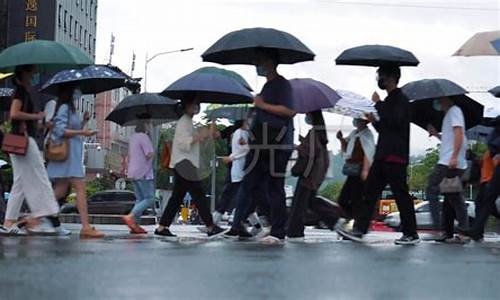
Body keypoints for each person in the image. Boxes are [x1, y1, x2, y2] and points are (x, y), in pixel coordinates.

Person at [336, 66, 419, 245]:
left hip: (395, 157)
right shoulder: (390, 100)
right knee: (369, 193)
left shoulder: (401, 100)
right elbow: (385, 129)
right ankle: (359, 229)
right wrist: (374, 121)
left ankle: (411, 233)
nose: (379, 79)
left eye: (381, 76)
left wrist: (378, 105)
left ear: (391, 77)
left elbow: (396, 123)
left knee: (401, 196)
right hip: (383, 156)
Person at [224, 50, 296, 245]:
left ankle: (279, 230)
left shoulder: (282, 85)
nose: (257, 65)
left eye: (260, 61)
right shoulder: (266, 86)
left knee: (274, 186)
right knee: (251, 184)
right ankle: (245, 223)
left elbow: (289, 110)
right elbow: (259, 112)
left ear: (270, 62)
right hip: (259, 143)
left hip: (277, 144)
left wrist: (263, 105)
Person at [0, 65, 60, 235]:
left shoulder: (24, 92)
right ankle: (42, 216)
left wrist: (43, 123)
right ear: (24, 74)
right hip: (24, 140)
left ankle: (9, 222)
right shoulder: (20, 92)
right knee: (39, 175)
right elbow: (14, 113)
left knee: (19, 183)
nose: (34, 75)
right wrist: (36, 116)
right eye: (32, 72)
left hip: (18, 140)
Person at [155, 97, 225, 239]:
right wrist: (198, 136)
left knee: (177, 197)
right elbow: (183, 144)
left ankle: (162, 226)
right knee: (198, 194)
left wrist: (210, 124)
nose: (196, 108)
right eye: (193, 105)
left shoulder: (188, 122)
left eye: (197, 105)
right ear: (186, 106)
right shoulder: (184, 122)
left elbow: (206, 137)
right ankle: (210, 226)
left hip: (184, 163)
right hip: (184, 162)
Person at [46, 84, 104, 238]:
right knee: (80, 189)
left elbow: (71, 129)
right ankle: (85, 227)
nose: (78, 93)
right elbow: (60, 130)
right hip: (69, 156)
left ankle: (33, 217)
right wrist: (82, 131)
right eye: (76, 90)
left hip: (71, 156)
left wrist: (83, 122)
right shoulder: (64, 107)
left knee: (60, 191)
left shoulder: (69, 109)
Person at [287, 110, 337, 239]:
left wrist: (300, 148)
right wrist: (303, 143)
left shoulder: (313, 133)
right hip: (316, 173)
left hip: (308, 174)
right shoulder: (320, 134)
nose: (306, 117)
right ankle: (334, 219)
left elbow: (308, 154)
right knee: (309, 201)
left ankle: (295, 230)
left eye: (308, 115)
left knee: (299, 204)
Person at [426, 97, 469, 243]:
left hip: (448, 162)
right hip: (451, 161)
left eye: (439, 100)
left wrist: (454, 157)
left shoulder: (454, 111)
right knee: (454, 197)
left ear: (446, 99)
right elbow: (450, 139)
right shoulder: (449, 114)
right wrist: (436, 134)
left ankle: (438, 229)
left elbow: (459, 134)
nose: (436, 103)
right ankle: (460, 232)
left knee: (432, 187)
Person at [462, 116, 500, 241]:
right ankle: (476, 231)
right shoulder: (490, 151)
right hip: (487, 179)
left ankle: (476, 231)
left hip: (490, 178)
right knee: (485, 203)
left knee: (486, 202)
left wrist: (479, 120)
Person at [336, 118, 375, 220]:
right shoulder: (354, 134)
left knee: (356, 197)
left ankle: (355, 221)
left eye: (359, 120)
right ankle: (350, 218)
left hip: (360, 170)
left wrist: (365, 170)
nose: (356, 121)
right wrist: (340, 139)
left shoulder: (367, 134)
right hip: (352, 170)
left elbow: (368, 153)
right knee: (343, 198)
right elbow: (346, 149)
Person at [213, 120, 250, 224]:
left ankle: (214, 221)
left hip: (241, 166)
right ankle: (257, 224)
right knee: (235, 194)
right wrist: (213, 121)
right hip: (234, 166)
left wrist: (231, 157)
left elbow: (246, 149)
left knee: (233, 194)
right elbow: (215, 135)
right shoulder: (232, 130)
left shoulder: (246, 132)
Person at [122, 121, 155, 234]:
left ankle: (135, 225)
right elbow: (149, 154)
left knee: (140, 199)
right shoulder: (144, 137)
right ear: (145, 125)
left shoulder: (133, 137)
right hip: (143, 172)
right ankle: (130, 216)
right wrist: (153, 151)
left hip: (133, 172)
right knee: (150, 198)